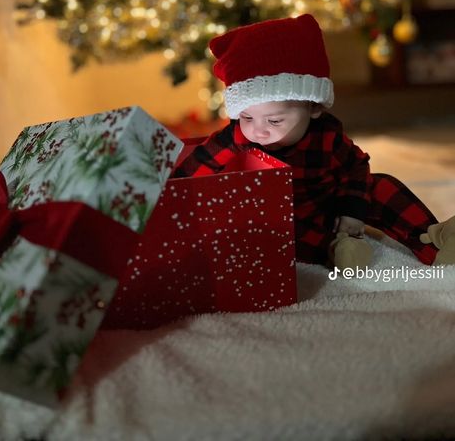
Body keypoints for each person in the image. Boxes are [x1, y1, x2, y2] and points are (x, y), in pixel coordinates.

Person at [172, 14, 455, 269]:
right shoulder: (236, 137)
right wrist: (172, 193)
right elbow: (196, 167)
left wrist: (351, 211)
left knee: (383, 186)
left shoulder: (326, 136)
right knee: (272, 234)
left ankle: (432, 241)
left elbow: (356, 169)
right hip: (287, 220)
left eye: (274, 121)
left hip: (331, 202)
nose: (258, 131)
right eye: (246, 117)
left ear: (314, 108)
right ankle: (340, 250)